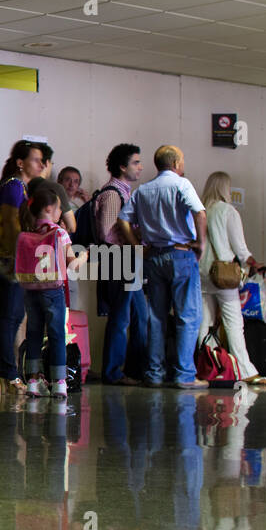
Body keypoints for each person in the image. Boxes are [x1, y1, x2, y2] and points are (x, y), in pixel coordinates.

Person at [117, 145, 208, 389]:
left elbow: (123, 220)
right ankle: (184, 375)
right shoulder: (181, 184)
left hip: (154, 257)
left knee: (156, 318)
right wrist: (201, 243)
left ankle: (154, 374)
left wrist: (137, 245)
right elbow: (200, 213)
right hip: (180, 255)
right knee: (187, 316)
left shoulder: (143, 190)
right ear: (176, 163)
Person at [198, 171, 266, 385]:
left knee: (205, 322)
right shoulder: (228, 211)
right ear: (224, 188)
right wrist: (253, 263)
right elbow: (241, 249)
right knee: (233, 323)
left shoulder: (200, 211)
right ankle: (246, 371)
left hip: (202, 274)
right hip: (223, 275)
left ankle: (207, 367)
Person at [16, 187, 87, 399]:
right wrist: (83, 256)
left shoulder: (26, 235)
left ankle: (34, 381)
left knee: (34, 334)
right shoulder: (59, 233)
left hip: (30, 291)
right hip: (53, 291)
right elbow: (72, 265)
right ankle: (59, 382)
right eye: (59, 209)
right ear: (49, 209)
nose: (60, 213)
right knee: (56, 335)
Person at [0, 140, 46, 393]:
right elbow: (10, 225)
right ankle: (6, 373)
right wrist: (20, 257)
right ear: (20, 163)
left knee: (14, 316)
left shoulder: (22, 187)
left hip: (16, 259)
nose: (41, 164)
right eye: (36, 159)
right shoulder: (14, 186)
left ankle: (9, 373)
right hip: (10, 260)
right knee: (10, 316)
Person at [97, 143, 147, 386]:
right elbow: (106, 233)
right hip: (118, 258)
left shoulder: (124, 192)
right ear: (122, 166)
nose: (140, 167)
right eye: (136, 162)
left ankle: (134, 369)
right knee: (121, 317)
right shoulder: (112, 194)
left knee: (140, 316)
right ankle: (113, 372)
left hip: (128, 259)